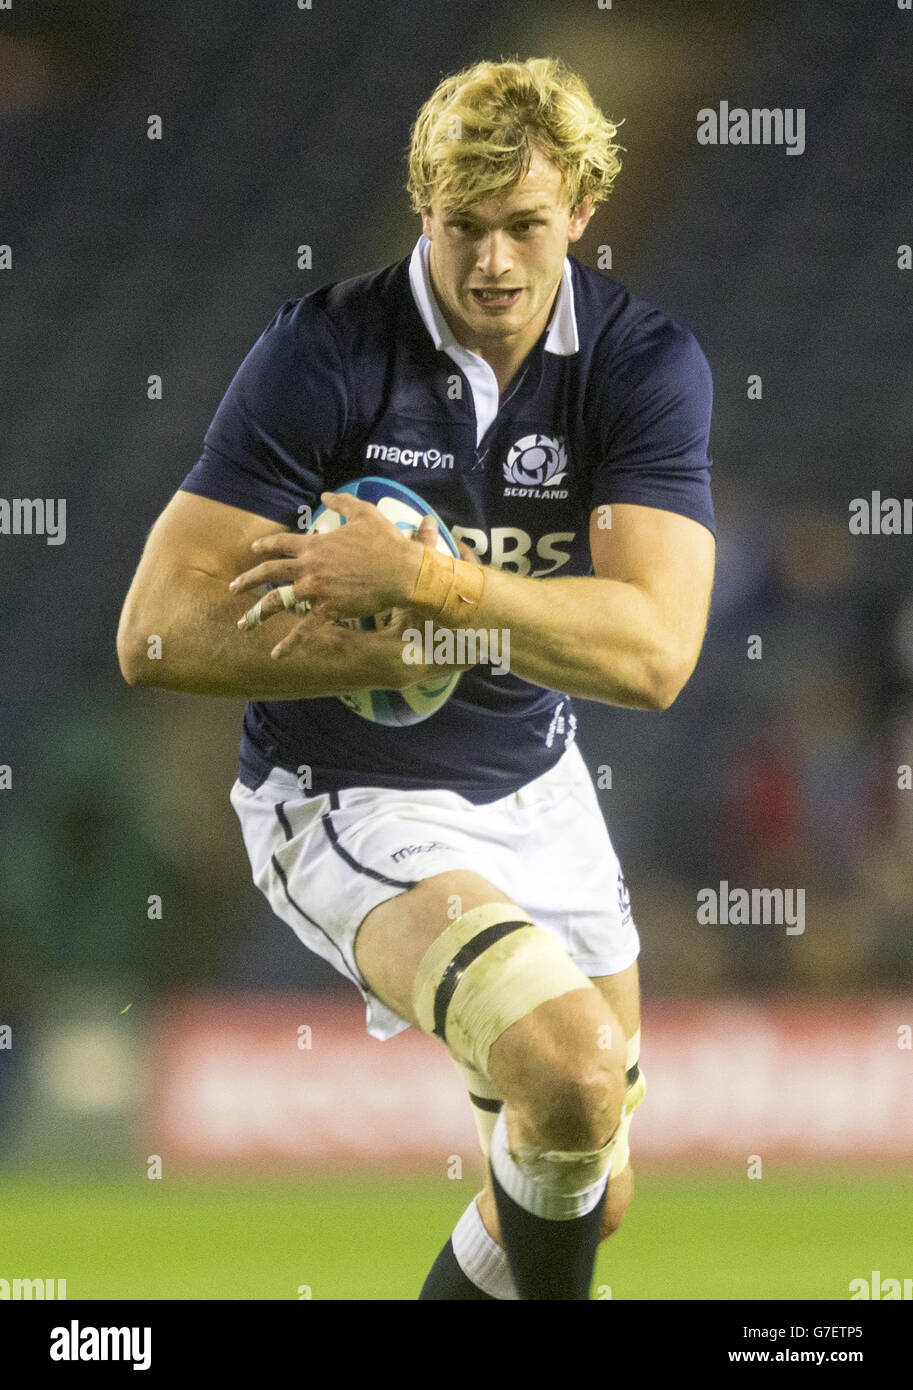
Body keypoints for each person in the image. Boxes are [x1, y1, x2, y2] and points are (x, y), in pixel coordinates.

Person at [117, 56, 716, 1300]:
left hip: (537, 785)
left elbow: (655, 656)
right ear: (420, 212)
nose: (490, 262)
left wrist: (431, 590)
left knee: (585, 1182)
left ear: (582, 216)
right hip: (345, 787)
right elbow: (155, 630)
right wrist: (383, 646)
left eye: (523, 228)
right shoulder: (325, 353)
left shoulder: (643, 364)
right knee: (570, 1072)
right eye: (460, 229)